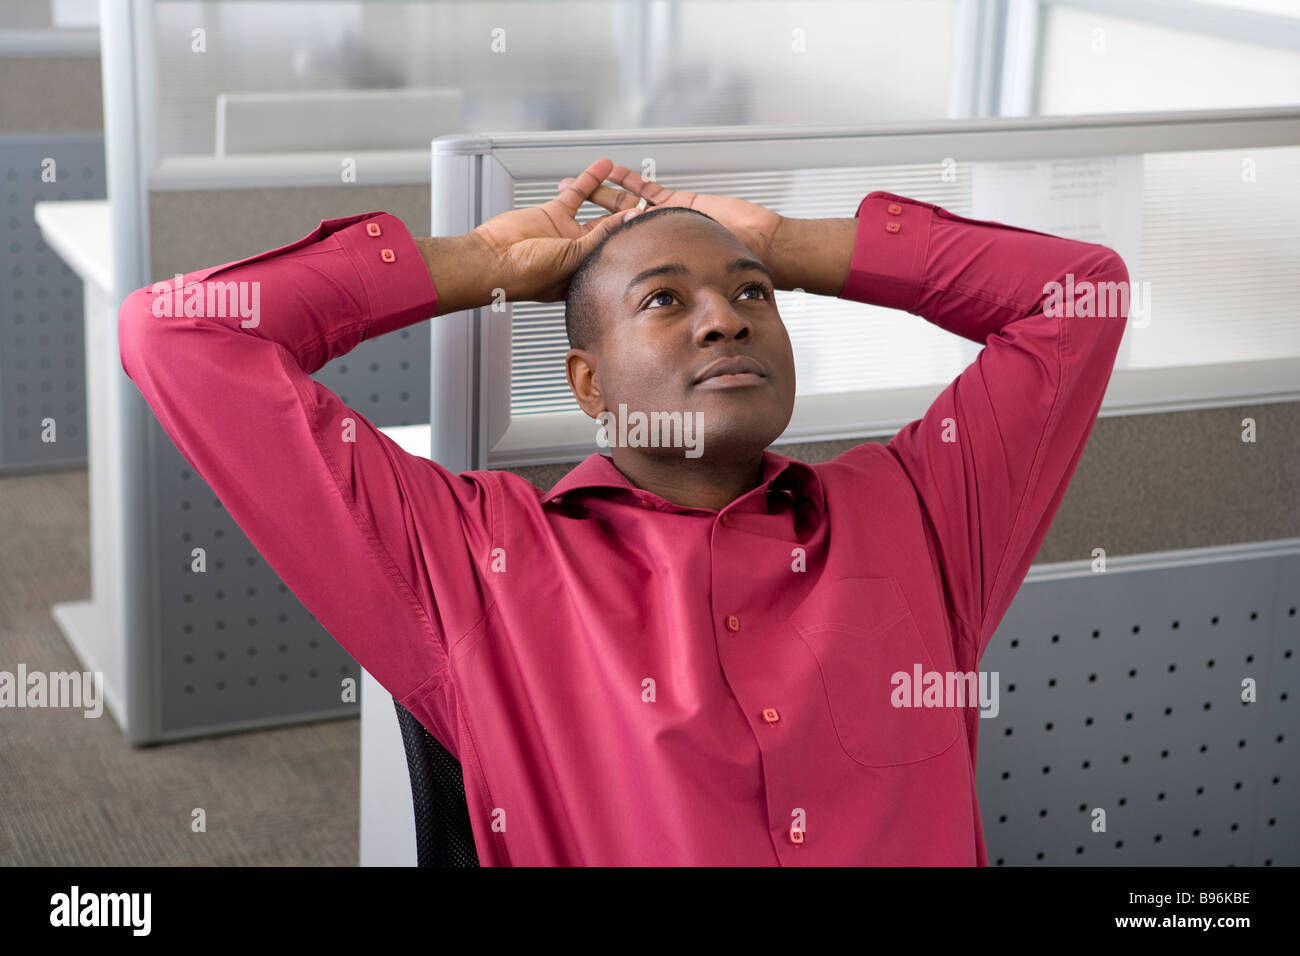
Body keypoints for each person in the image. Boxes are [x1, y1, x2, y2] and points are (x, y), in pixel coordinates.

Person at [117, 157, 1130, 865]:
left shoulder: (920, 511)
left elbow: (1076, 292)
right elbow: (180, 334)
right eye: (662, 300)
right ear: (588, 384)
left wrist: (788, 241)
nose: (727, 314)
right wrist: (487, 260)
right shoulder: (477, 564)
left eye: (753, 292)